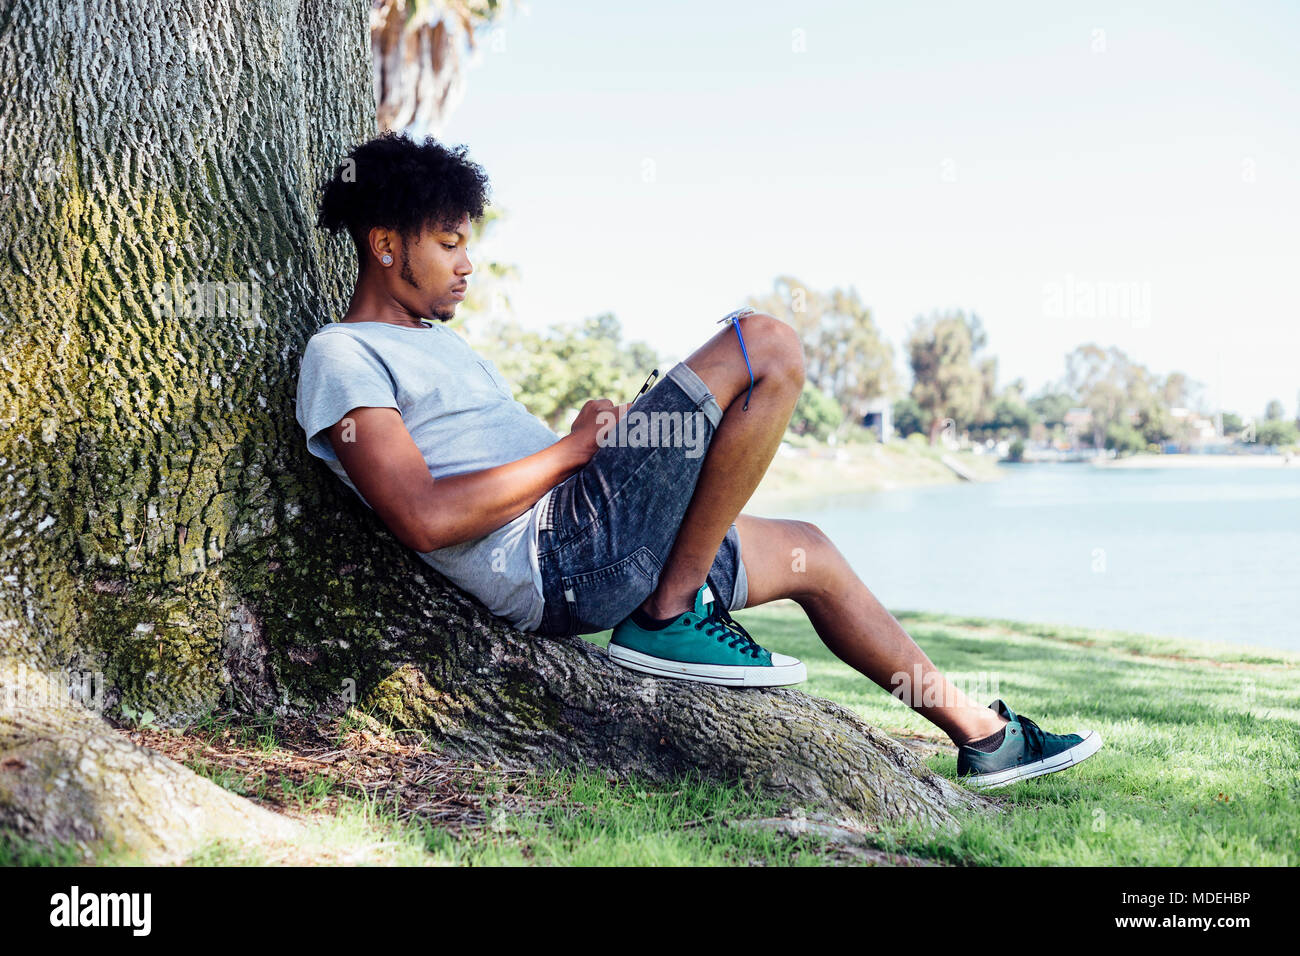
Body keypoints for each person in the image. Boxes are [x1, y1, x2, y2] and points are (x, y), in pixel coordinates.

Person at [295, 132, 1102, 789]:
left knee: (809, 552)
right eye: (448, 243)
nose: (466, 262)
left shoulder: (443, 345)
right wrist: (576, 450)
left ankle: (988, 738)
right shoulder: (344, 354)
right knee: (766, 344)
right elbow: (423, 517)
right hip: (560, 556)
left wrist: (587, 446)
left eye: (468, 243)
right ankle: (671, 616)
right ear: (385, 245)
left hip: (591, 525)